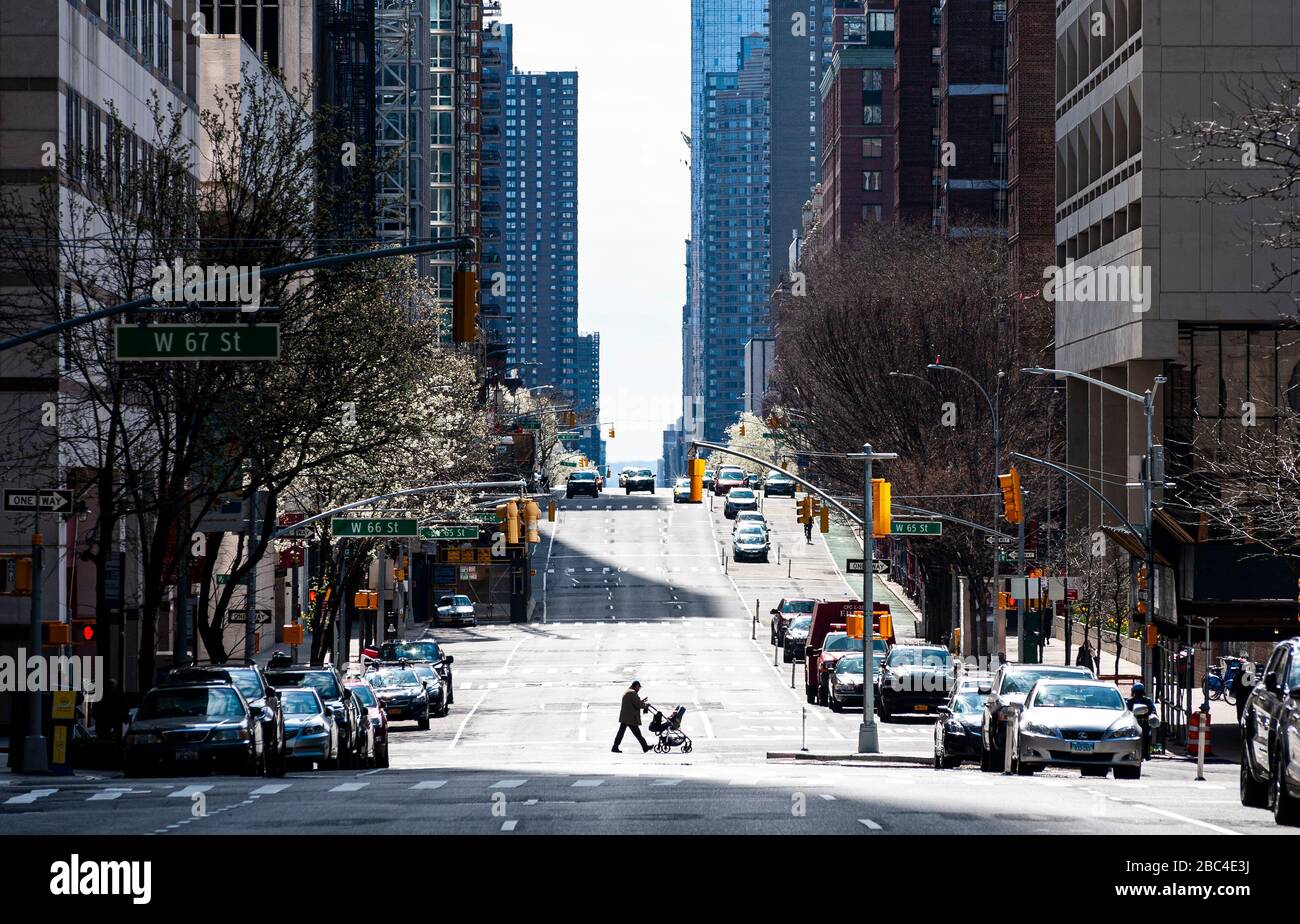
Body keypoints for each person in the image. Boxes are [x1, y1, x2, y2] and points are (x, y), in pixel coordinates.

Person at [612, 680, 653, 753]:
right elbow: (638, 704)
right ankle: (645, 747)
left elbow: (634, 702)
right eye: (638, 687)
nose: (639, 689)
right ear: (636, 686)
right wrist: (645, 705)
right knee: (637, 733)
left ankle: (615, 747)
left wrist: (641, 702)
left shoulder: (628, 691)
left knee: (621, 733)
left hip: (626, 716)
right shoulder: (632, 693)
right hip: (630, 718)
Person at [1126, 681, 1156, 759]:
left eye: (1139, 692)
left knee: (1147, 737)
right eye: (1136, 692)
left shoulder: (1147, 700)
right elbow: (1126, 711)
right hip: (1133, 722)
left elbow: (1152, 709)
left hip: (1144, 722)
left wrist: (1153, 715)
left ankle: (1146, 753)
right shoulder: (1130, 701)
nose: (1138, 694)